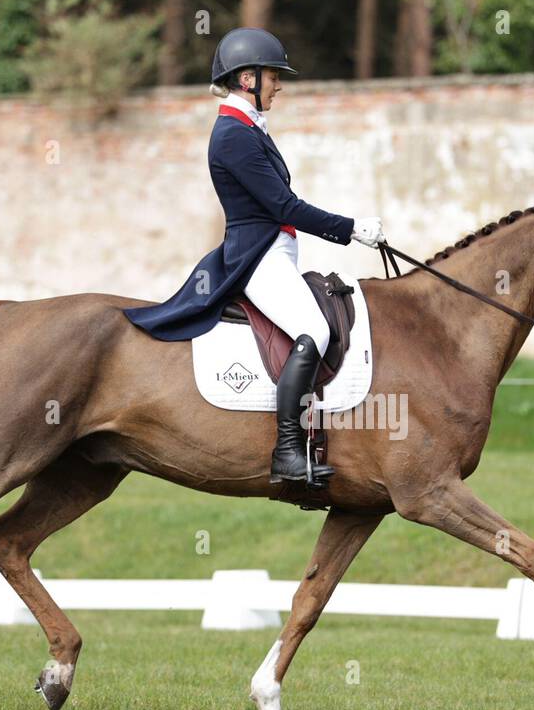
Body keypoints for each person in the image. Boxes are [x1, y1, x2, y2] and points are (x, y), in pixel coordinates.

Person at [124, 27, 384, 484]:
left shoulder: (248, 129)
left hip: (274, 252)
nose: (279, 85)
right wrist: (352, 229)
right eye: (273, 76)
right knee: (315, 329)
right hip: (258, 256)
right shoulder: (232, 135)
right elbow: (284, 206)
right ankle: (287, 452)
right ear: (248, 78)